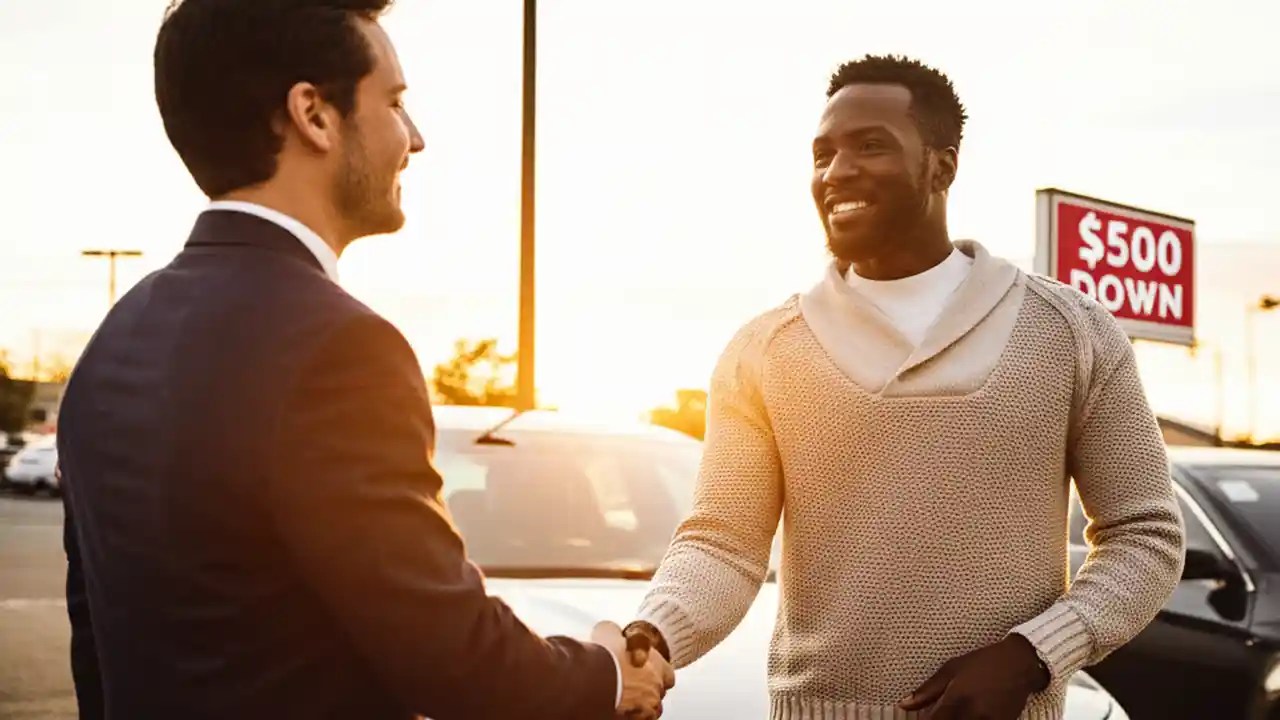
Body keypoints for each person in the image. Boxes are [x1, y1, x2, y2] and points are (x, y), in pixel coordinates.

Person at [56, 1, 672, 718]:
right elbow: (449, 657)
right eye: (396, 101)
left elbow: (95, 641)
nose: (414, 138)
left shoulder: (113, 342)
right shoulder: (340, 349)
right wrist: (604, 676)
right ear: (313, 114)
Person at [620, 54, 1185, 720]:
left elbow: (1145, 536)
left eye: (871, 146)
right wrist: (654, 634)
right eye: (822, 153)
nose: (837, 172)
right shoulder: (764, 350)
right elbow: (724, 544)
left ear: (942, 166)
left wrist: (1033, 654)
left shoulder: (1071, 332)